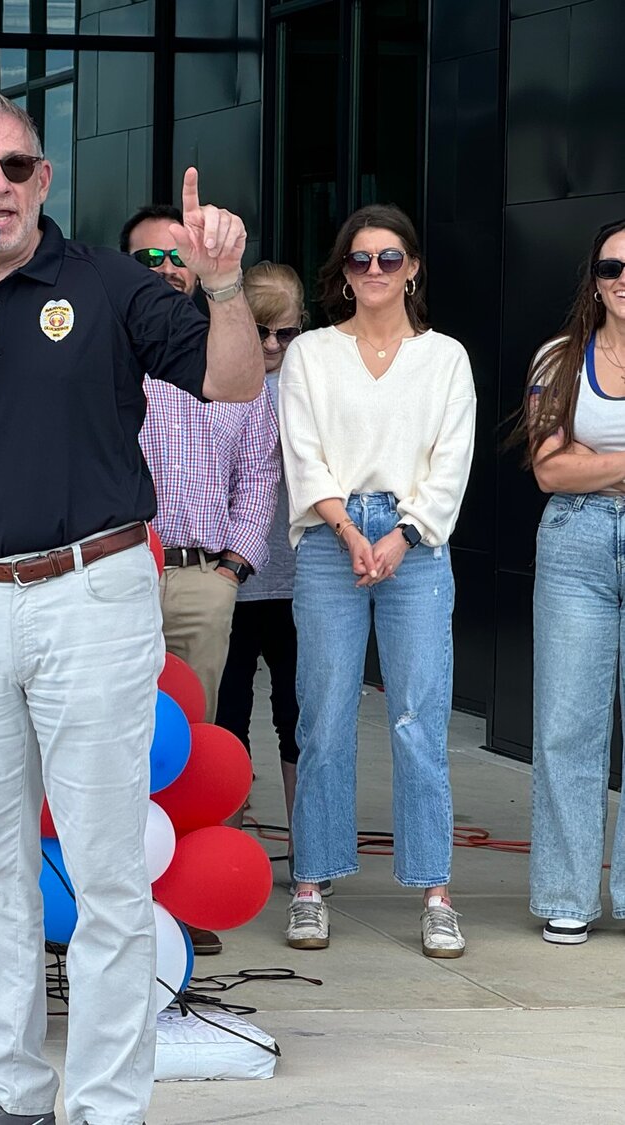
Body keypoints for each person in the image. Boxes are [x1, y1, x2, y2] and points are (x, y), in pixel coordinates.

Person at [0, 88, 262, 1125]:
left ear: (44, 178)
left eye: (17, 167)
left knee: (105, 867)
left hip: (93, 591)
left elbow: (232, 384)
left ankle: (106, 1107)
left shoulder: (109, 285)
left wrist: (223, 288)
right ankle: (8, 1092)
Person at [279, 204, 476, 959]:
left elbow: (451, 461)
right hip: (332, 539)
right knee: (324, 716)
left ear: (412, 268)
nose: (374, 271)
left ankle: (435, 893)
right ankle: (311, 884)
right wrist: (350, 532)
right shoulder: (311, 354)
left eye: (389, 258)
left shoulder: (445, 358)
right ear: (343, 272)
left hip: (415, 543)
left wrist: (401, 535)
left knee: (418, 717)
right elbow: (302, 452)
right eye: (360, 259)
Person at [121, 209, 281, 958]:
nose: (166, 268)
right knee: (106, 737)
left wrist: (233, 568)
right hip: (116, 575)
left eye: (177, 255)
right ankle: (111, 903)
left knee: (186, 745)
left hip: (199, 579)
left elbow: (259, 471)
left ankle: (179, 901)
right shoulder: (106, 350)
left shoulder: (231, 357)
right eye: (148, 257)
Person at [513, 217, 625, 945]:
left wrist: (595, 456)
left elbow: (573, 458)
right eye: (612, 268)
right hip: (576, 541)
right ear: (595, 280)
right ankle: (566, 894)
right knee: (566, 722)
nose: (624, 280)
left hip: (587, 512)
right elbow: (550, 468)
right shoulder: (560, 358)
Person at [214, 262, 305, 849]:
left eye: (286, 333)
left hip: (297, 578)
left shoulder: (310, 381)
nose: (271, 345)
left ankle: (307, 847)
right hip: (230, 575)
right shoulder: (217, 375)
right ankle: (224, 845)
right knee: (227, 717)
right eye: (260, 329)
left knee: (298, 717)